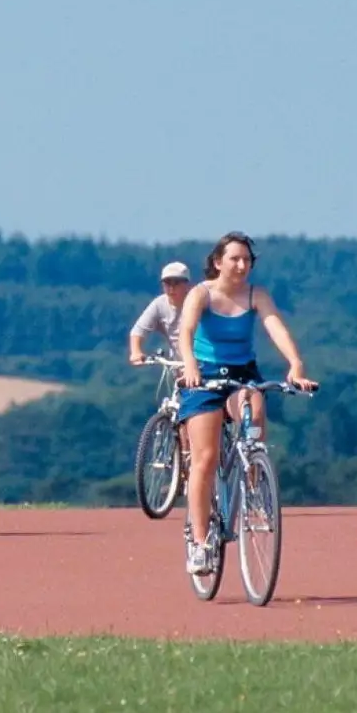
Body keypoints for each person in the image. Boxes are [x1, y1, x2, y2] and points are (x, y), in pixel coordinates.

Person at [175, 232, 317, 575]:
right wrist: (190, 364)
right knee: (205, 459)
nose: (242, 266)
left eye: (247, 260)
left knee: (254, 410)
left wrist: (295, 364)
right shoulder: (201, 293)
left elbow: (276, 328)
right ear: (218, 262)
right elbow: (186, 330)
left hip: (242, 375)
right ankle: (200, 540)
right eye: (235, 259)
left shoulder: (256, 295)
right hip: (205, 378)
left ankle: (254, 481)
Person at [127, 261, 193, 364]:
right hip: (178, 364)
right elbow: (138, 330)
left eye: (177, 283)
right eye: (167, 284)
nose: (171, 288)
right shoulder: (159, 304)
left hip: (203, 363)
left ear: (187, 284)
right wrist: (136, 352)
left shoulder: (197, 301)